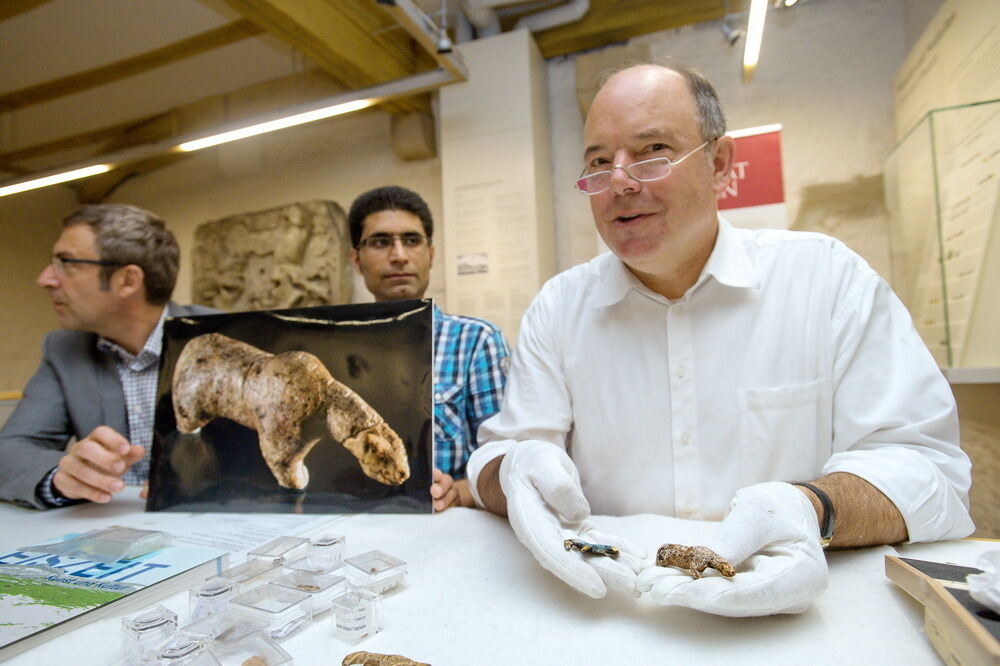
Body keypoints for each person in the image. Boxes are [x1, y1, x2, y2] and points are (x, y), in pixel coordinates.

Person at [466, 62, 974, 616]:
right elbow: (503, 452)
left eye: (652, 150)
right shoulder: (559, 309)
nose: (619, 181)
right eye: (597, 161)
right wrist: (510, 470)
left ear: (720, 163)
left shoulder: (826, 281)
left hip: (805, 622)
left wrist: (811, 508)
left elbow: (929, 473)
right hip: (618, 611)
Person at [0, 204, 215, 510]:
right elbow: (9, 450)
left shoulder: (227, 337)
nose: (45, 279)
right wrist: (61, 476)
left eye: (66, 262)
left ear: (127, 280)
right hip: (110, 538)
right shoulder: (64, 351)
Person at [348, 185, 510, 512]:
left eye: (411, 240)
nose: (399, 255)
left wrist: (461, 491)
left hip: (448, 528)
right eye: (381, 242)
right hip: (354, 525)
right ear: (356, 259)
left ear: (431, 254)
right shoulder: (340, 350)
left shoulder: (476, 342)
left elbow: (507, 459)